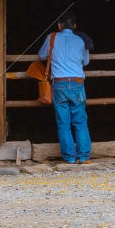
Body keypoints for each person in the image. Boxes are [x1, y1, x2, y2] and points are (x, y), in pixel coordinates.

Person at [40, 11, 91, 163]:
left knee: (63, 122)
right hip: (77, 83)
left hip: (59, 84)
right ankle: (83, 157)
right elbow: (86, 62)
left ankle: (69, 158)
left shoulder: (51, 38)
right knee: (80, 121)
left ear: (59, 25)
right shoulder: (81, 40)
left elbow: (41, 55)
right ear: (74, 26)